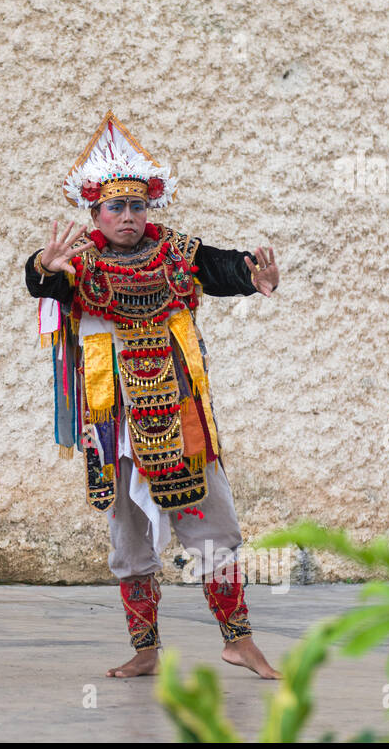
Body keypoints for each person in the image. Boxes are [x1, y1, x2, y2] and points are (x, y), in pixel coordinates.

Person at [26, 111, 281, 680]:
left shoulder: (176, 253)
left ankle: (238, 641)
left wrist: (252, 277)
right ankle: (146, 650)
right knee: (129, 536)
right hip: (115, 425)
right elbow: (42, 280)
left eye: (137, 205)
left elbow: (221, 267)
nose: (127, 216)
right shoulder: (80, 264)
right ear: (94, 211)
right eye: (115, 206)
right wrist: (44, 268)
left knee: (213, 525)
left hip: (180, 415)